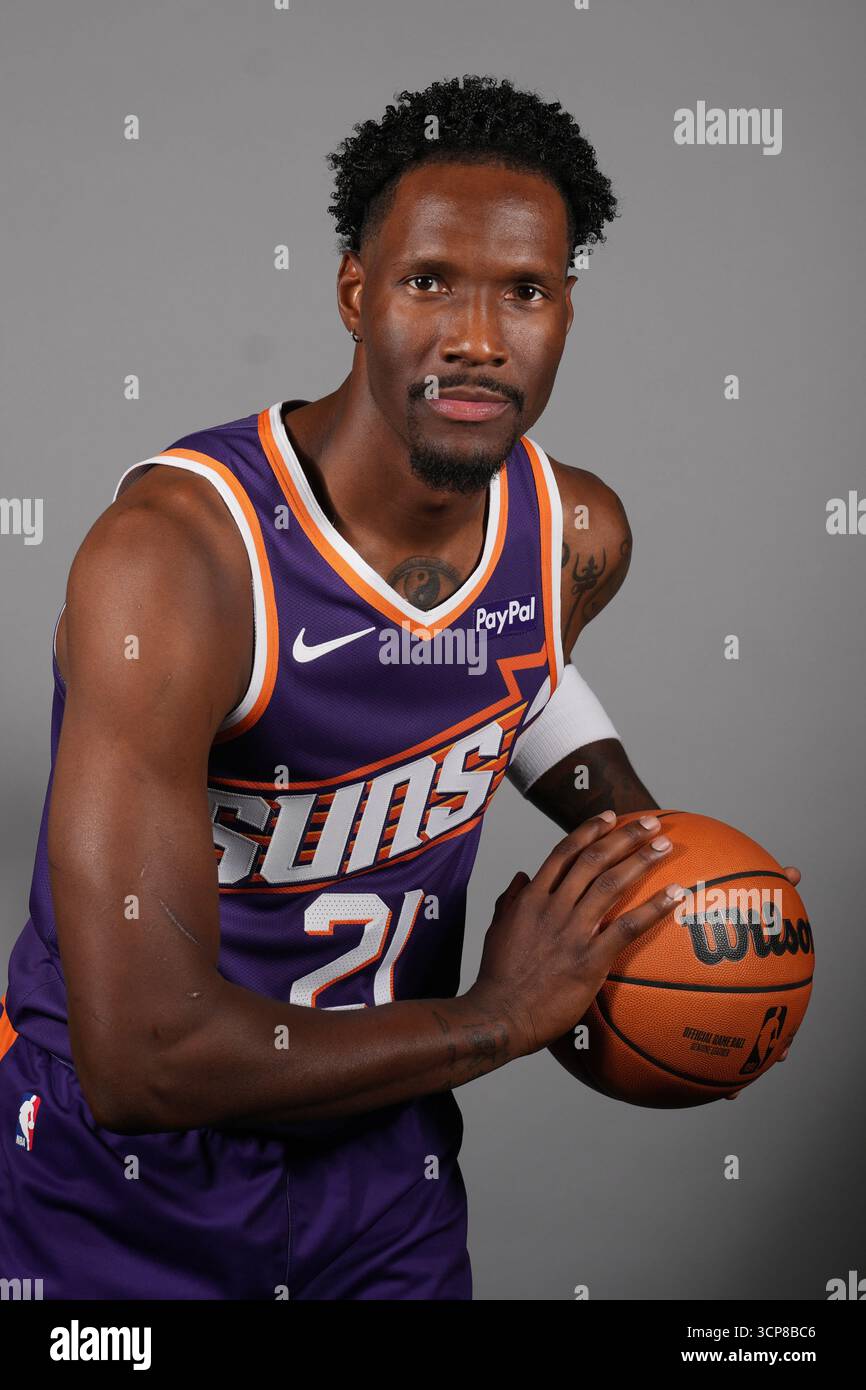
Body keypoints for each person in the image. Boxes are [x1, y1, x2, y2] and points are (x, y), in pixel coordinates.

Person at [0, 74, 800, 1300]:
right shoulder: (179, 564)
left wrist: (641, 855)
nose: (478, 335)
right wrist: (500, 1015)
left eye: (524, 290)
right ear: (354, 293)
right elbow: (144, 1060)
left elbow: (517, 677)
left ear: (565, 312)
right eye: (431, 280)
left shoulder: (571, 532)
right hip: (121, 1192)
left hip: (385, 1165)